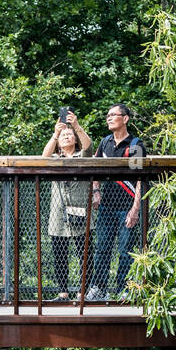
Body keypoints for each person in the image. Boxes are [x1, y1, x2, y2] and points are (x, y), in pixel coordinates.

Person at [85, 104, 147, 301]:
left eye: (114, 115)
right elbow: (95, 170)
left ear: (125, 118)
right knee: (102, 248)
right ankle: (99, 288)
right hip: (106, 207)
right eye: (108, 115)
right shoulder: (105, 143)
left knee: (126, 250)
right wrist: (96, 192)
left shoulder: (135, 145)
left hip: (127, 207)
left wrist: (135, 208)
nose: (109, 118)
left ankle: (124, 289)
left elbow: (139, 179)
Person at [41, 117, 91, 300]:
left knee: (84, 254)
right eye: (63, 135)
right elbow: (44, 157)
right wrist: (55, 133)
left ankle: (82, 292)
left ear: (75, 139)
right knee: (59, 254)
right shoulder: (54, 158)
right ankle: (63, 293)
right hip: (58, 214)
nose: (66, 137)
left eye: (70, 135)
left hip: (81, 212)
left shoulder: (82, 156)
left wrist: (76, 126)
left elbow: (88, 146)